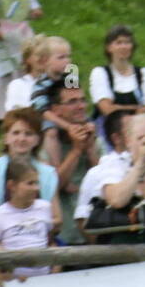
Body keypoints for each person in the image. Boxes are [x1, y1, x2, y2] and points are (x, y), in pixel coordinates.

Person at [76, 111, 145, 242]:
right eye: (141, 139)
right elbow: (116, 200)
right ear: (129, 141)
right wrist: (140, 164)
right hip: (112, 244)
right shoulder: (113, 164)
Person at [42, 80, 100, 242]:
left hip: (95, 234)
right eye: (72, 102)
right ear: (56, 110)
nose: (81, 106)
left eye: (82, 100)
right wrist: (76, 151)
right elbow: (53, 187)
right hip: (64, 237)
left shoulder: (96, 140)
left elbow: (104, 183)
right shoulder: (45, 145)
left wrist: (89, 149)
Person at [0, 106, 59, 222]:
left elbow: (56, 217)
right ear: (6, 138)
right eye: (16, 133)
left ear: (37, 139)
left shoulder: (48, 174)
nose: (22, 138)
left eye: (28, 134)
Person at [0, 156, 59, 277]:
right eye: (30, 183)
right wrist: (7, 266)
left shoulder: (44, 207)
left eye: (37, 183)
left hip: (44, 279)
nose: (36, 188)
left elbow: (49, 239)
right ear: (12, 186)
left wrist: (55, 270)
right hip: (13, 281)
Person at [90, 25, 145, 123]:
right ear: (109, 47)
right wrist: (137, 108)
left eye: (127, 42)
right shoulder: (100, 73)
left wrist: (117, 107)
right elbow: (107, 110)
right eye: (119, 43)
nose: (124, 46)